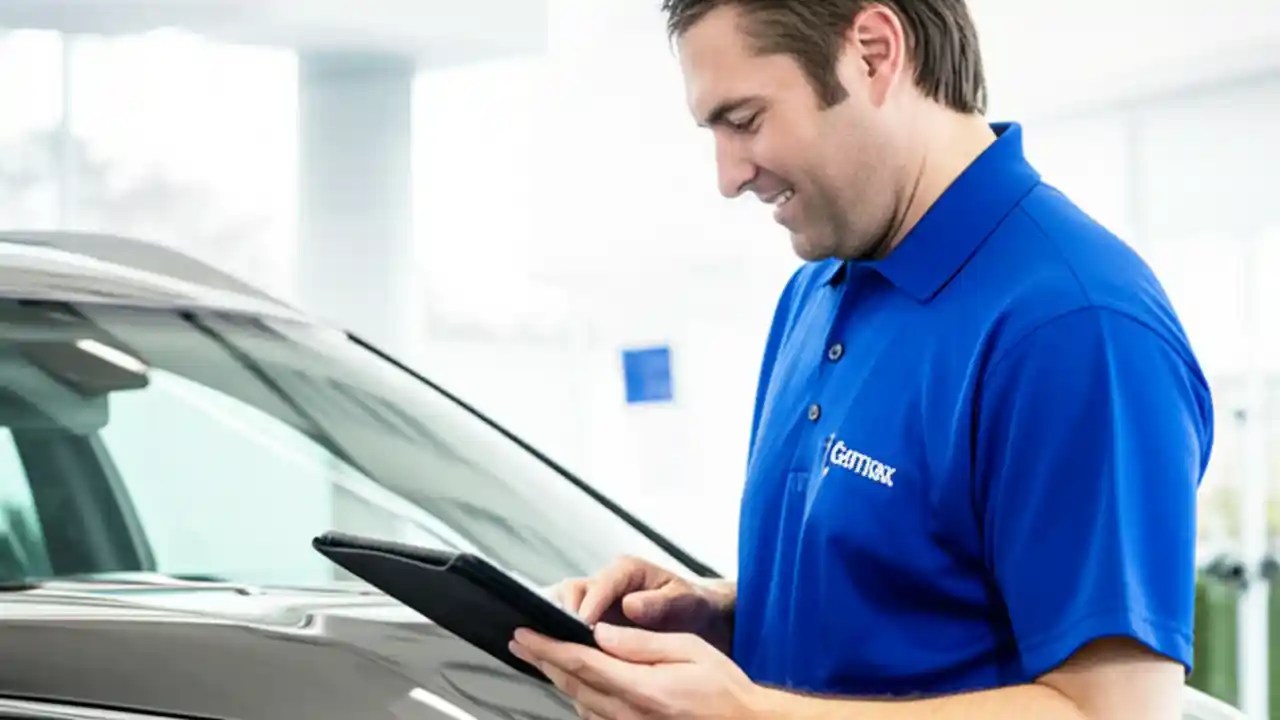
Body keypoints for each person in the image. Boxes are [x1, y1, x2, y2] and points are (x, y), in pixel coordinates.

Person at [509, 1, 1214, 718]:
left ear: (873, 53)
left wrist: (745, 714)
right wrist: (718, 614)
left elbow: (1111, 710)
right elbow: (913, 600)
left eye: (745, 119)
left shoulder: (1075, 327)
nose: (728, 175)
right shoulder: (816, 291)